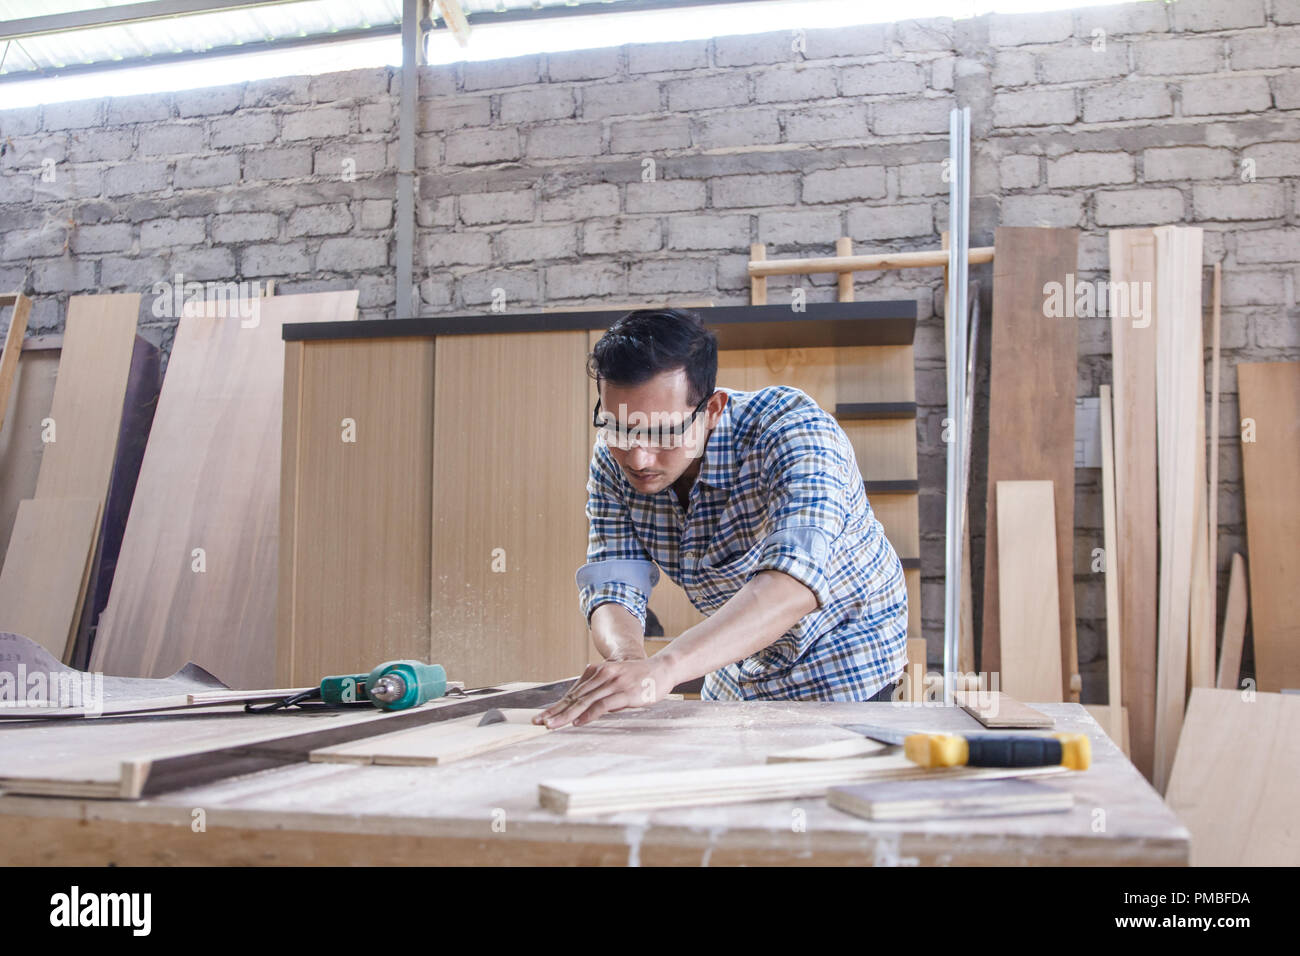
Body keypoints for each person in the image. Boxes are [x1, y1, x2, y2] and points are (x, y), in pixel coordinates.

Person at [535, 308, 908, 729]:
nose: (637, 457)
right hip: (737, 658)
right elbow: (614, 578)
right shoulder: (612, 457)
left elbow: (794, 582)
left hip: (842, 654)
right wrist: (630, 666)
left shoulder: (793, 430)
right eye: (617, 428)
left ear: (712, 410)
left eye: (662, 434)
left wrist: (667, 668)